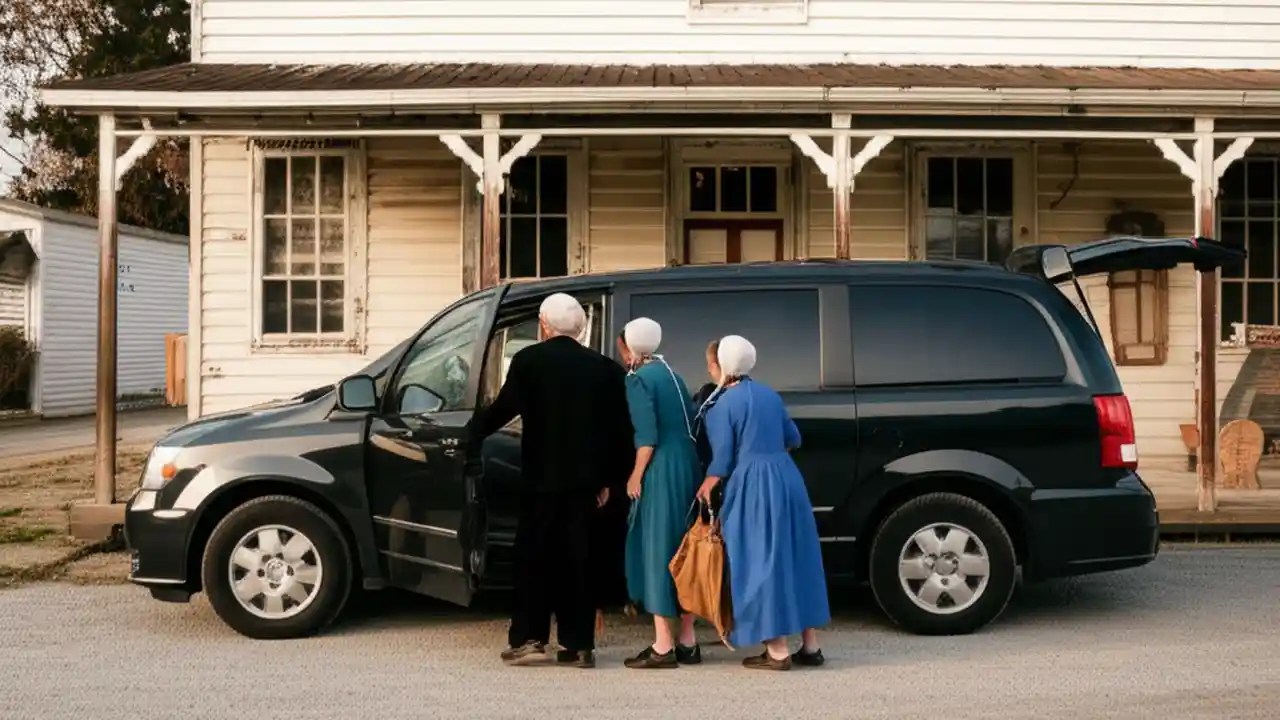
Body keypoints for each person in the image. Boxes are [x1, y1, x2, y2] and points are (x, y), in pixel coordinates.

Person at [469, 293, 631, 669]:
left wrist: (469, 432)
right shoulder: (605, 369)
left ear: (544, 325)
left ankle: (530, 639)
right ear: (581, 327)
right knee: (580, 561)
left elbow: (503, 409)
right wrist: (609, 480)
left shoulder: (528, 361)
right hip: (586, 484)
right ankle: (579, 645)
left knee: (534, 558)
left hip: (540, 480)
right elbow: (619, 431)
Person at [696, 335, 830, 671]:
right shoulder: (770, 394)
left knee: (759, 560)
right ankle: (810, 645)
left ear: (721, 365)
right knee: (795, 556)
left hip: (753, 484)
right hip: (788, 478)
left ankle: (777, 650)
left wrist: (708, 482)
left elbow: (722, 459)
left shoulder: (720, 405)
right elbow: (793, 438)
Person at [616, 318, 703, 670]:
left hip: (662, 467)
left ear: (630, 347)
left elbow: (647, 437)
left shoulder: (638, 379)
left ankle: (663, 644)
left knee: (657, 547)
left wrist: (635, 476)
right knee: (683, 548)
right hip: (687, 464)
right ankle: (688, 640)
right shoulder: (673, 375)